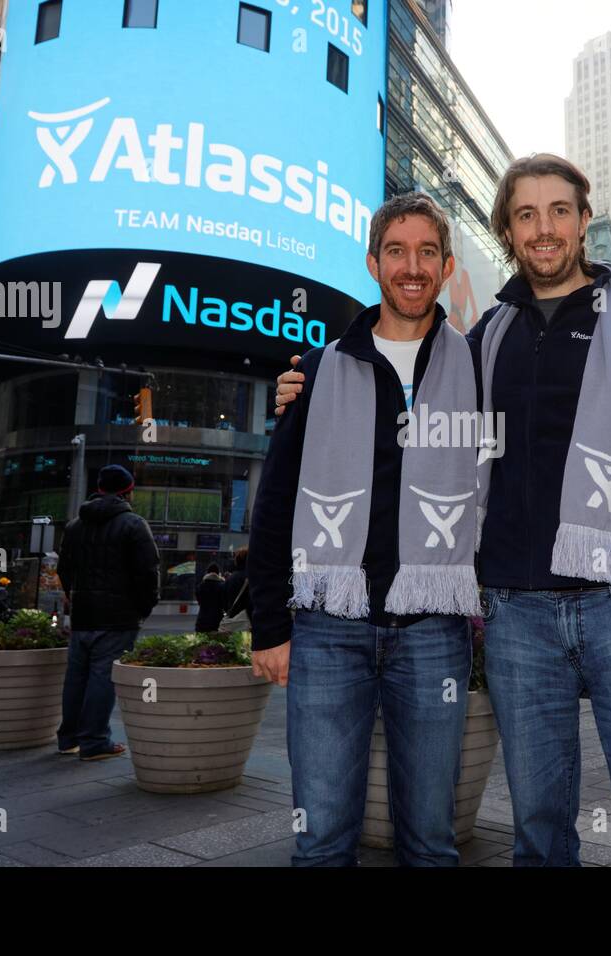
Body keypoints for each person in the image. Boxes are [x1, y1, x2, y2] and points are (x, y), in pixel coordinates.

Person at [276, 154, 611, 867]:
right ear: (507, 228)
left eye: (559, 211)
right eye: (526, 214)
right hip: (516, 618)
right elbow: (412, 432)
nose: (544, 229)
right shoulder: (480, 343)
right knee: (537, 834)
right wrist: (309, 391)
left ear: (583, 221)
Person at [249, 192, 482, 867]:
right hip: (327, 629)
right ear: (374, 263)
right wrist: (270, 625)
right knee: (320, 838)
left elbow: (533, 448)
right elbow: (276, 501)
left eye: (427, 253)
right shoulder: (319, 369)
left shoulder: (479, 366)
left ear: (445, 267)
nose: (412, 266)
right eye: (397, 251)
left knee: (432, 843)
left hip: (435, 633)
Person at [55, 464, 160, 760]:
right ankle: (94, 741)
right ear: (128, 491)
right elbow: (148, 572)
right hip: (118, 615)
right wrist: (143, 607)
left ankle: (69, 738)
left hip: (83, 613)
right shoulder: (134, 524)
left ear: (99, 488)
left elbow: (64, 568)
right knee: (103, 676)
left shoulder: (76, 525)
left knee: (76, 675)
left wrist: (73, 596)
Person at [195, 562, 226, 634]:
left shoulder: (200, 586)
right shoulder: (222, 586)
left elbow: (199, 602)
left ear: (207, 573)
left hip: (202, 620)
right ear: (218, 573)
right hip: (217, 620)